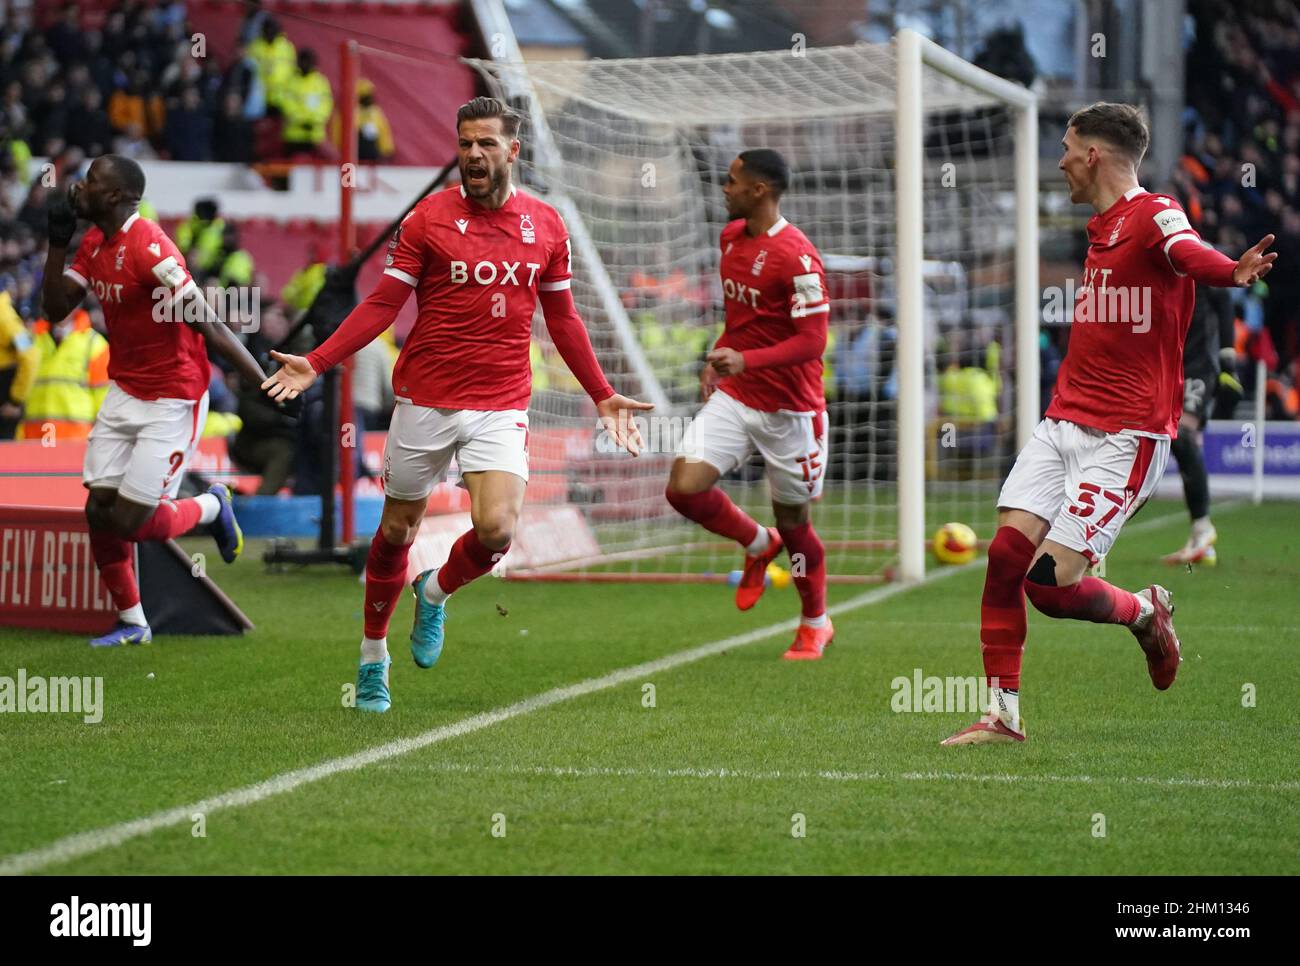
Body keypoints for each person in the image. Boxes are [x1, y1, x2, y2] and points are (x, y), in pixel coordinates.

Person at [262, 97, 651, 713]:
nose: (473, 154)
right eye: (465, 143)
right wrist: (317, 361)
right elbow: (382, 305)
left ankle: (435, 592)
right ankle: (372, 657)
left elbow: (564, 318)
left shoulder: (547, 226)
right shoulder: (426, 220)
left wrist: (601, 393)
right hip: (425, 400)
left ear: (512, 151)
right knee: (396, 530)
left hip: (500, 403)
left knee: (496, 531)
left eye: (486, 144)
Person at [942, 103, 1276, 745]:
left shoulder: (1154, 212)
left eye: (1067, 148)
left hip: (1125, 436)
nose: (1061, 160)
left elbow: (1187, 251)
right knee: (1005, 558)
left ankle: (1145, 611)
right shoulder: (1100, 227)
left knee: (1049, 585)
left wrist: (1229, 271)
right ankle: (1002, 717)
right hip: (1062, 420)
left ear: (1093, 154)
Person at [40, 156, 270, 648]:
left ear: (118, 197)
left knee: (131, 522)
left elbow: (207, 320)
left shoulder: (150, 246)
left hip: (173, 396)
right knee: (98, 510)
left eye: (93, 181)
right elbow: (55, 308)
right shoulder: (94, 243)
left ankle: (212, 505)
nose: (81, 187)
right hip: (125, 391)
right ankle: (134, 623)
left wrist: (260, 379)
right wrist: (57, 243)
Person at [664, 149, 834, 660]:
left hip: (792, 411)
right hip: (738, 396)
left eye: (732, 181)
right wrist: (718, 359)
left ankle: (815, 621)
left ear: (759, 190)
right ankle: (758, 544)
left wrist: (747, 359)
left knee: (795, 522)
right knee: (683, 488)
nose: (724, 189)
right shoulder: (730, 238)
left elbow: (813, 341)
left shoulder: (799, 259)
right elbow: (744, 319)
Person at [1162, 282, 1236, 565]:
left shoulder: (1197, 256)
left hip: (1199, 369)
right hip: (1165, 369)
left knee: (1182, 436)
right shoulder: (1156, 260)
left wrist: (1229, 362)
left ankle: (1203, 528)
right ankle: (1202, 543)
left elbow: (1225, 297)